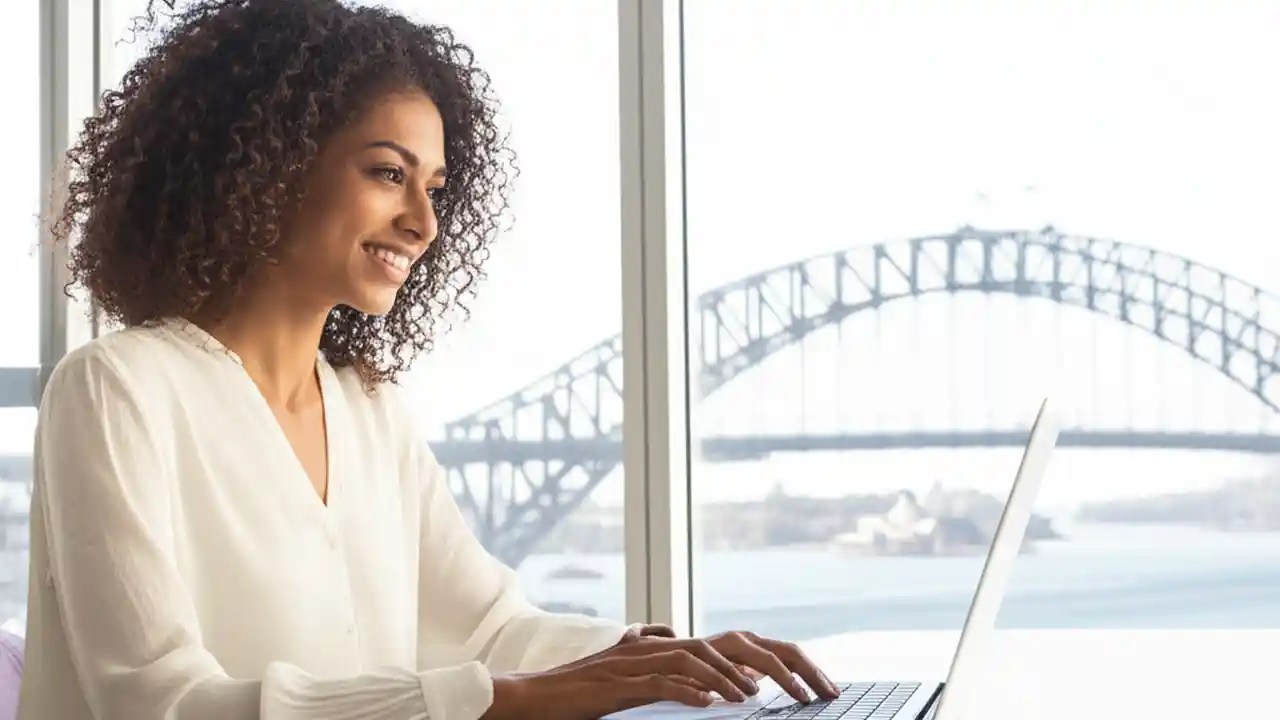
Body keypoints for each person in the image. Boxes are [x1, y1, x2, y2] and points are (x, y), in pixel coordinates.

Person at [18, 1, 840, 718]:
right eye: (388, 173)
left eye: (436, 188)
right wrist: (511, 698)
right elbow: (158, 699)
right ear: (266, 168)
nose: (424, 223)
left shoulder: (367, 409)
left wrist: (658, 657)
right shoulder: (117, 389)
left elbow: (488, 627)